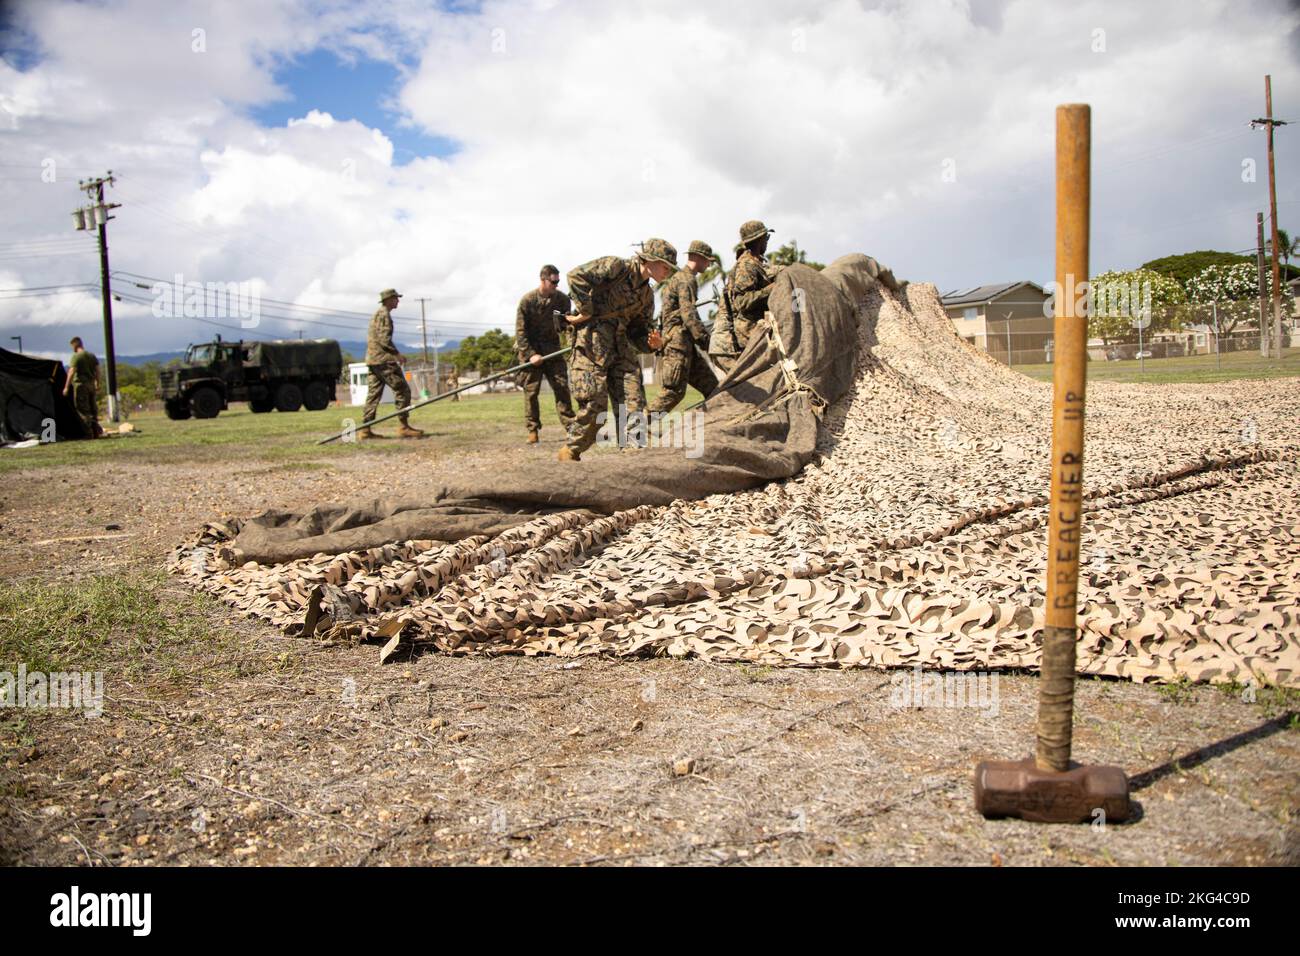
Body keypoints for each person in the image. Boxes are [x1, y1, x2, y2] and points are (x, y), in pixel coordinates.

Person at [560, 238, 676, 461]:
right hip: (591, 346)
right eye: (665, 266)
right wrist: (586, 310)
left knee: (634, 405)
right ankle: (571, 451)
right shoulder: (616, 268)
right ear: (650, 260)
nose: (668, 272)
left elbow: (638, 331)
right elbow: (575, 276)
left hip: (621, 350)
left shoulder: (647, 296)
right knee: (594, 407)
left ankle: (633, 458)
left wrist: (650, 344)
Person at [647, 240, 718, 413]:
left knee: (713, 389)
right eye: (707, 261)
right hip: (677, 345)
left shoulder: (680, 278)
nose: (708, 265)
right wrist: (707, 342)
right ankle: (636, 426)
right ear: (698, 258)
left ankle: (712, 425)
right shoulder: (686, 280)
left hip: (685, 344)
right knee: (673, 392)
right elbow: (689, 316)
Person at [515, 264, 576, 444]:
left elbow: (565, 325)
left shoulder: (562, 300)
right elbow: (520, 332)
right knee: (531, 392)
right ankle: (533, 430)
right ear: (543, 280)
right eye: (553, 282)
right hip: (531, 350)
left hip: (552, 350)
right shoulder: (527, 301)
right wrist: (530, 354)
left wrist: (572, 331)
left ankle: (571, 427)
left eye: (558, 281)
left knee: (562, 387)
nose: (556, 285)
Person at [710, 219, 776, 371]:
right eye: (766, 238)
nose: (767, 242)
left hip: (734, 342)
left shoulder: (753, 263)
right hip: (729, 344)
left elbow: (769, 272)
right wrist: (771, 288)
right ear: (759, 240)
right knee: (751, 384)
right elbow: (742, 301)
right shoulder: (746, 265)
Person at [359, 288, 423, 439]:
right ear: (388, 300)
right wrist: (397, 354)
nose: (398, 301)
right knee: (403, 390)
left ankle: (365, 429)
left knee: (373, 395)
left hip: (373, 360)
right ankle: (403, 426)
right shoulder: (384, 315)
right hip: (384, 360)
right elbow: (384, 340)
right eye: (395, 298)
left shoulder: (377, 314)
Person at [63, 336, 102, 438]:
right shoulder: (91, 356)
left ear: (75, 345)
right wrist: (98, 383)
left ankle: (88, 434)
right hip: (91, 385)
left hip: (81, 386)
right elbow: (98, 370)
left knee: (83, 410)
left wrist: (66, 387)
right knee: (93, 409)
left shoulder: (77, 357)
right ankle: (96, 432)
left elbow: (71, 372)